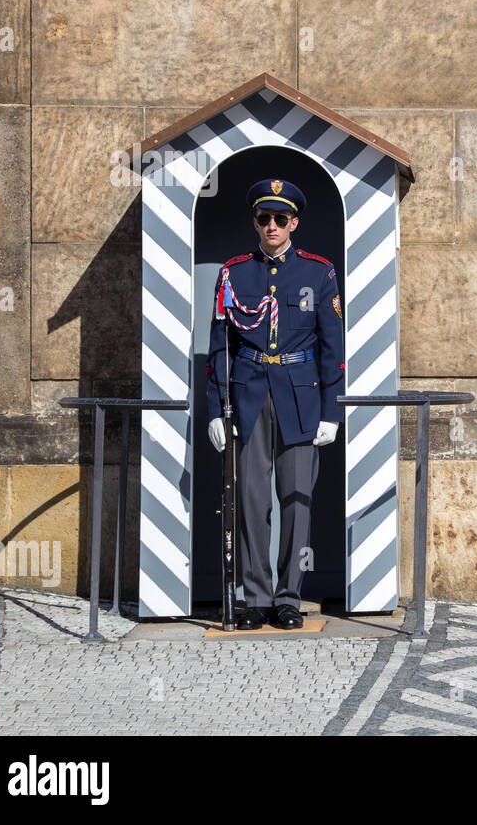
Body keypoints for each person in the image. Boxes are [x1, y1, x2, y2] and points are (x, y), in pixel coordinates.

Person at [206, 177, 345, 630]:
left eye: (280, 219)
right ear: (256, 221)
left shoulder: (318, 272)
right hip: (247, 396)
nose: (271, 226)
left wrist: (332, 411)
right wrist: (215, 407)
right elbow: (220, 348)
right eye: (264, 218)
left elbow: (332, 348)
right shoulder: (233, 273)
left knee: (297, 501)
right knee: (249, 501)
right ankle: (257, 599)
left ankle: (288, 598)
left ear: (294, 223)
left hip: (301, 399)